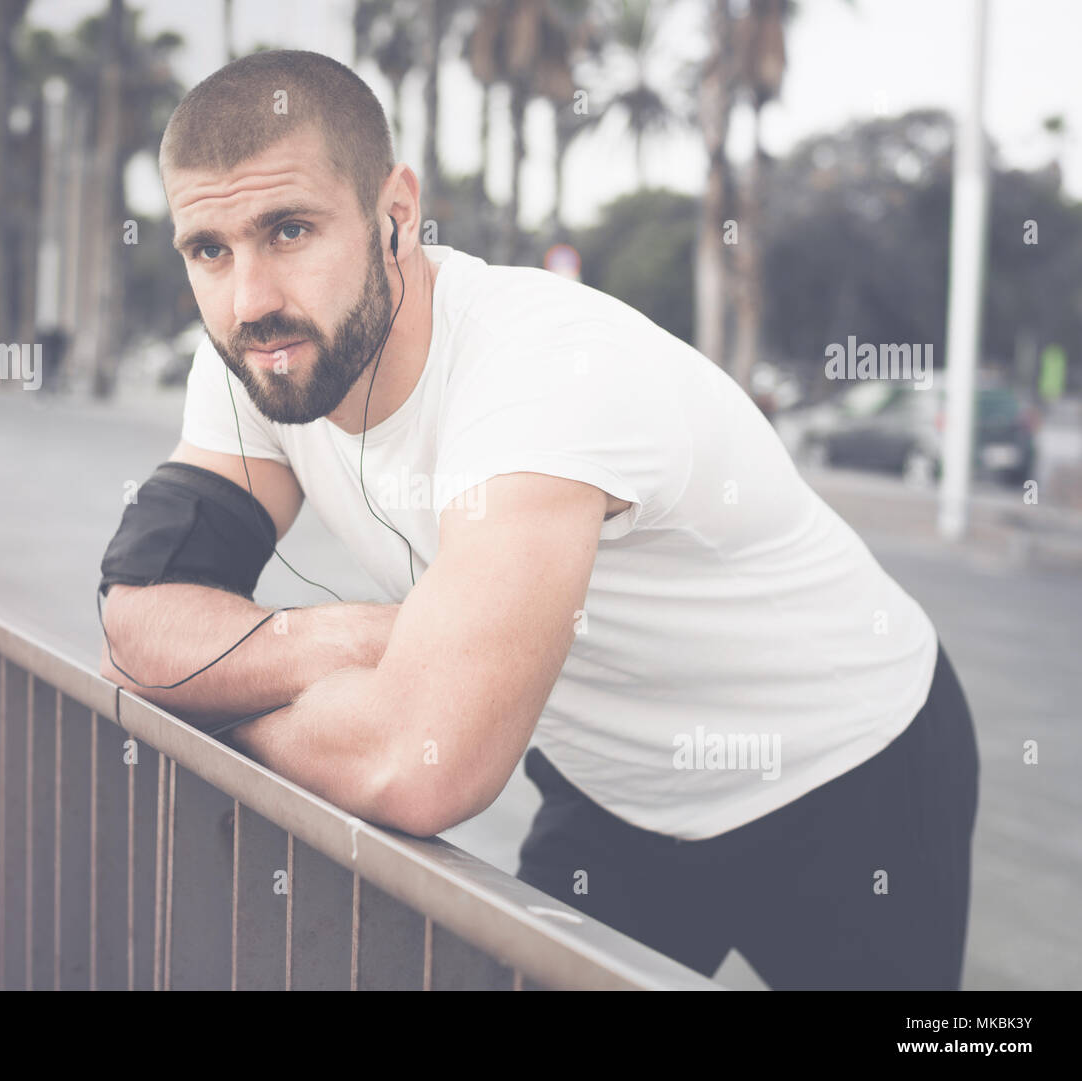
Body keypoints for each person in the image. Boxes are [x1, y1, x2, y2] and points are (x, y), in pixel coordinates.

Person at [97, 49, 979, 991]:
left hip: (849, 773)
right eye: (209, 249)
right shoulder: (259, 361)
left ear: (395, 214)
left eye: (290, 229)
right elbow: (143, 607)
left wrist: (209, 710)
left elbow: (424, 759)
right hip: (611, 794)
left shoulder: (538, 376)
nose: (250, 299)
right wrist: (361, 641)